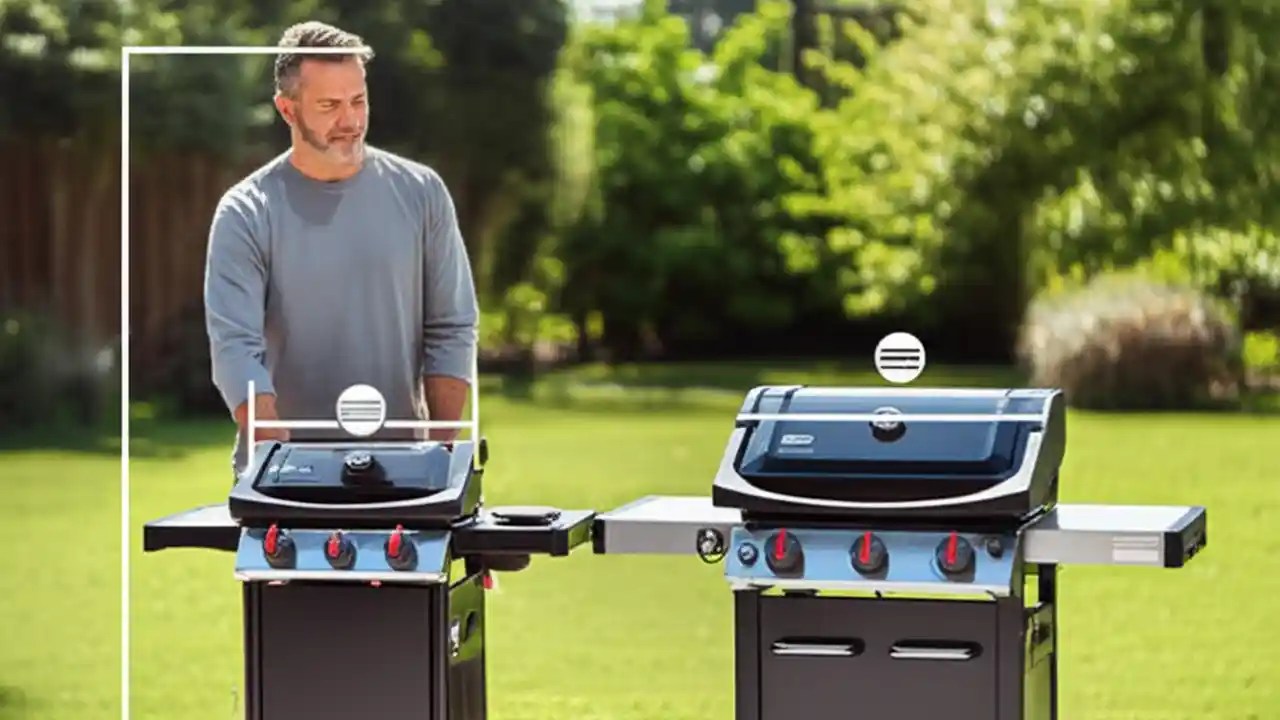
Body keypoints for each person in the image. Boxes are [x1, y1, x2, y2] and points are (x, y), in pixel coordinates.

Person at [203, 21, 478, 479]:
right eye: (329, 105)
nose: (350, 121)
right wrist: (281, 463)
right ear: (287, 110)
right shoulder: (246, 211)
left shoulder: (422, 193)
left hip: (403, 476)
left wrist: (439, 454)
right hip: (284, 478)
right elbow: (235, 349)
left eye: (358, 101)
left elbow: (451, 326)